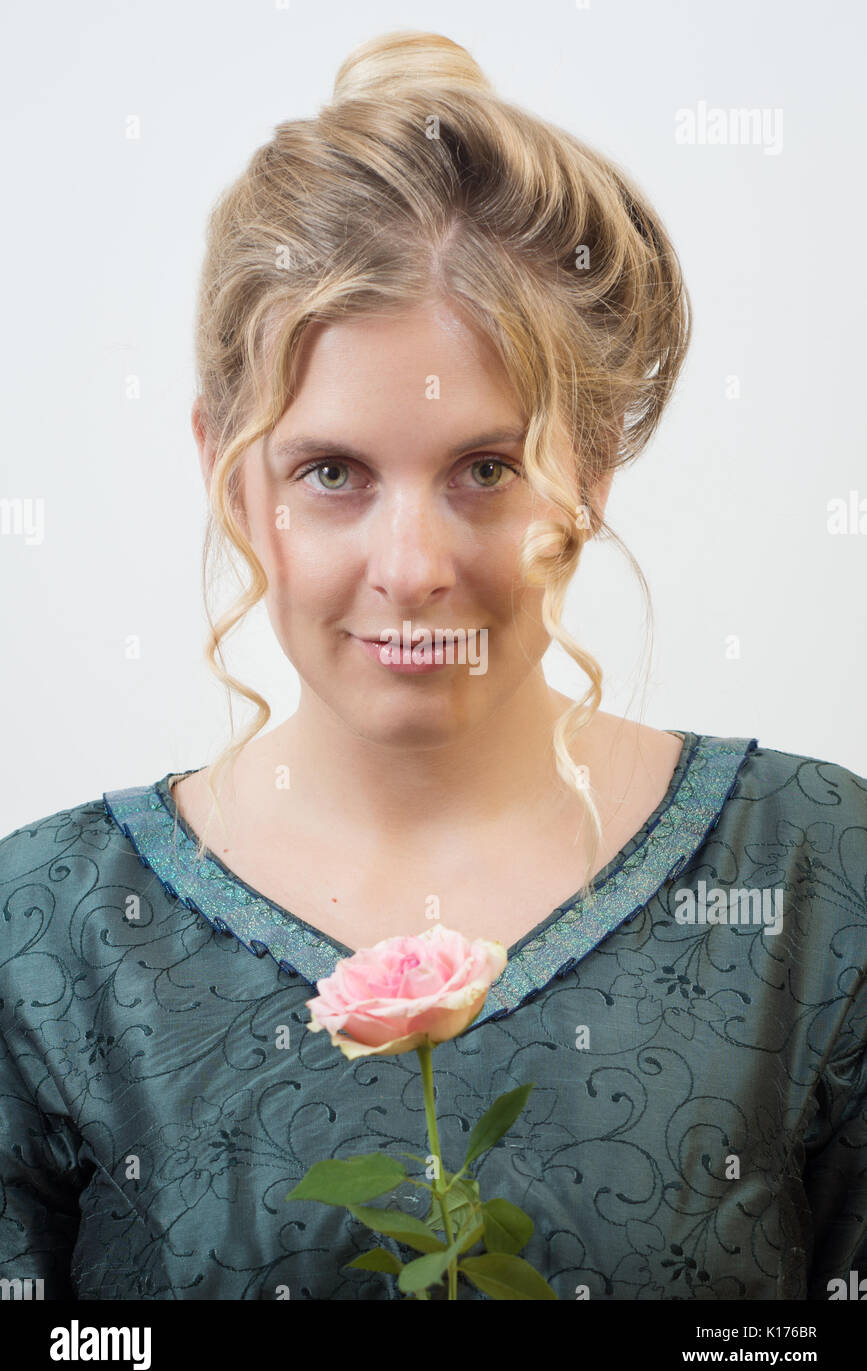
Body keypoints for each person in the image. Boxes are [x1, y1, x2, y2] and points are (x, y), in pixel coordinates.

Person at [1, 30, 865, 1303]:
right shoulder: (49, 937)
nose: (412, 567)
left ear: (593, 473)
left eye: (486, 469)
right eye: (332, 473)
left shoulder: (813, 878)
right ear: (229, 474)